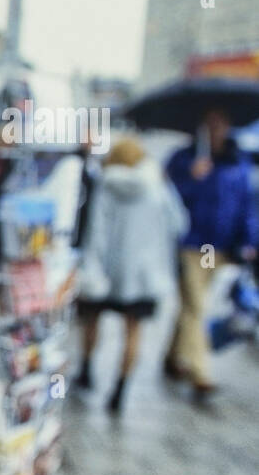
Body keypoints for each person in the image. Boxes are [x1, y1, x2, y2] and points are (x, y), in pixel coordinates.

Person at [74, 138, 187, 413]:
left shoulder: (106, 185)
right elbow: (180, 224)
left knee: (92, 321)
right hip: (143, 275)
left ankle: (87, 371)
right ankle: (120, 390)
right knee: (133, 332)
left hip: (107, 272)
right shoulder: (159, 186)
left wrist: (92, 268)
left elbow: (96, 233)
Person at [164, 107, 259, 399]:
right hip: (195, 244)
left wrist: (250, 240)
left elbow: (247, 205)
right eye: (210, 124)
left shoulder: (237, 163)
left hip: (221, 246)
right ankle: (200, 370)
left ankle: (173, 355)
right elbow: (168, 199)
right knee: (196, 304)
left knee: (193, 303)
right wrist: (192, 179)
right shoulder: (185, 159)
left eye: (220, 124)